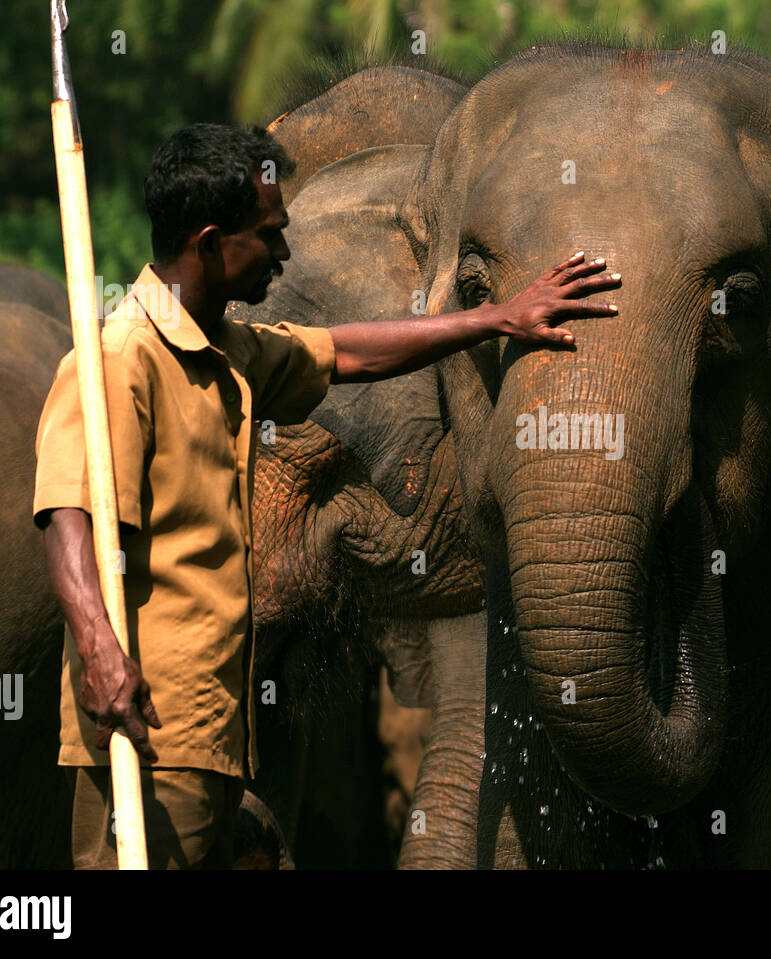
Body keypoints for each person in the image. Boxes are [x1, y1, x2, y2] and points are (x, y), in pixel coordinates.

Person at [32, 123, 620, 868]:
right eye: (268, 235)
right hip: (147, 730)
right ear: (211, 244)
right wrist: (98, 650)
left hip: (213, 732)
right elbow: (68, 515)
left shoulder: (228, 355)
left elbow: (348, 351)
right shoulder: (119, 360)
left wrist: (496, 318)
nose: (282, 254)